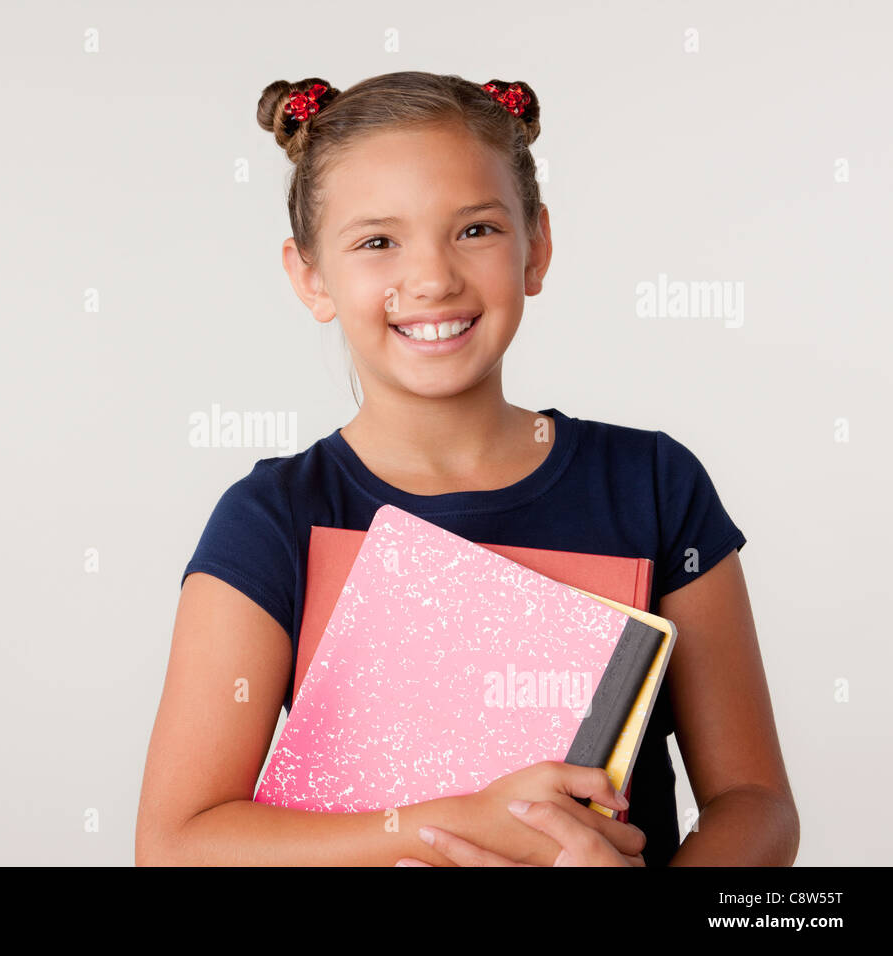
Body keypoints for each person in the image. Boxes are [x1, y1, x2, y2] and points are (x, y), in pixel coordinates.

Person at [135, 71, 799, 867]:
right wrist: (448, 826)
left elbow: (755, 804)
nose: (433, 280)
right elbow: (175, 845)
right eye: (378, 242)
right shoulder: (272, 518)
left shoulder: (653, 483)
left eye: (475, 230)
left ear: (537, 246)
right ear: (310, 275)